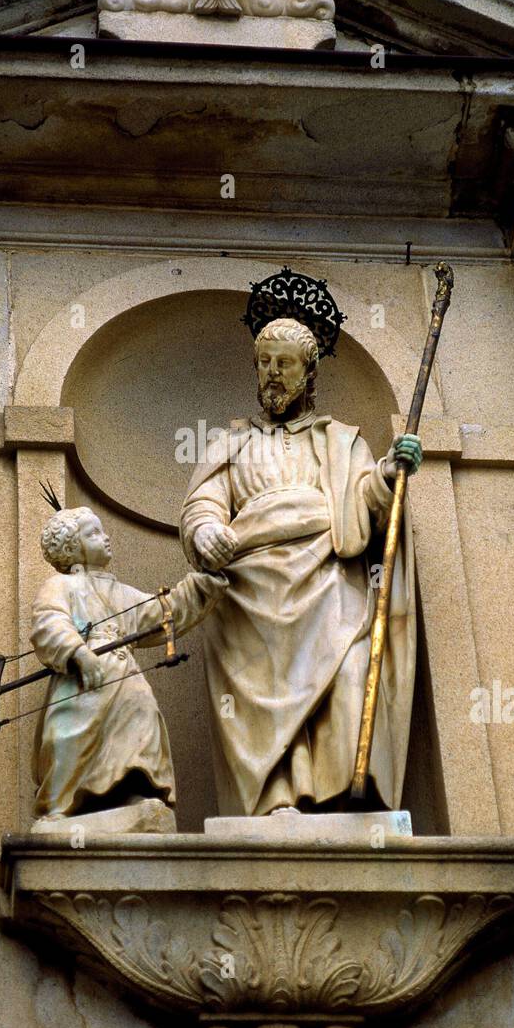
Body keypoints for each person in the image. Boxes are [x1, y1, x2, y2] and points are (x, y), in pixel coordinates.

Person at [179, 316, 422, 817]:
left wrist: (389, 472)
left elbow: (364, 502)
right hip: (250, 590)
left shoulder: (341, 442)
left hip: (329, 579)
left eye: (283, 364)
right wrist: (205, 532)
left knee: (351, 671)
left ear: (309, 374)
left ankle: (341, 795)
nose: (271, 373)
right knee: (261, 696)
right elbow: (202, 505)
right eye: (263, 363)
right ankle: (275, 801)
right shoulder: (232, 442)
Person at [31, 506, 226, 821]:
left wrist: (207, 580)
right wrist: (78, 653)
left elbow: (166, 611)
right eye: (93, 533)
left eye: (103, 530)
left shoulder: (120, 593)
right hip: (83, 680)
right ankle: (60, 803)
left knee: (141, 717)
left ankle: (134, 790)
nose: (106, 537)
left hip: (127, 678)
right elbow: (48, 622)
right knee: (68, 736)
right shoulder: (61, 586)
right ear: (71, 547)